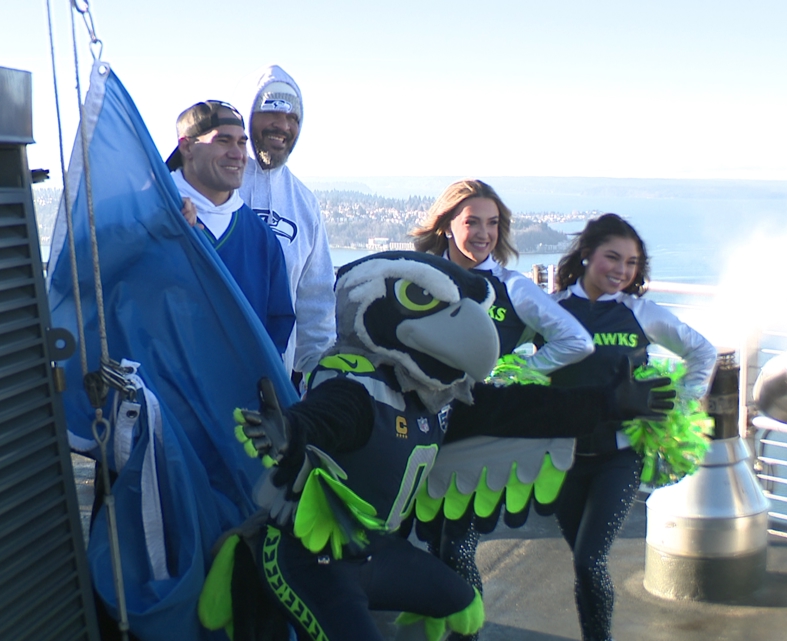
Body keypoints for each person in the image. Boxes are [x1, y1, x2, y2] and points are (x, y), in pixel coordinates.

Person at [200, 251, 675, 641]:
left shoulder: (436, 398)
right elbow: (329, 416)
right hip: (305, 558)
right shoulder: (357, 387)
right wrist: (292, 431)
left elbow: (522, 410)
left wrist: (609, 403)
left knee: (461, 603)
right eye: (421, 299)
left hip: (371, 549)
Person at [410, 179, 594, 640]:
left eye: (493, 224)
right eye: (472, 222)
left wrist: (516, 372)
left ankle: (464, 635)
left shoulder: (512, 287)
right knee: (426, 542)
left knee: (458, 546)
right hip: (417, 427)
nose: (483, 233)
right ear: (448, 225)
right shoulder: (417, 279)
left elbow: (576, 341)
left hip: (477, 434)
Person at [547, 213, 717, 641]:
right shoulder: (550, 310)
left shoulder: (641, 313)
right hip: (559, 459)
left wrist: (677, 404)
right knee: (582, 562)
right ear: (586, 254)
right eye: (612, 258)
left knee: (589, 560)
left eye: (632, 262)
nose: (622, 271)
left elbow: (702, 351)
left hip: (619, 457)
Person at [165, 99, 295, 354]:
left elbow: (276, 327)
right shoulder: (148, 214)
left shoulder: (260, 237)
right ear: (187, 147)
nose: (237, 154)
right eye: (222, 141)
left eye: (241, 143)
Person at [237, 65, 336, 380]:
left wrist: (319, 377)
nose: (283, 125)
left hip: (276, 383)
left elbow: (315, 302)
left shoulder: (304, 205)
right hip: (205, 374)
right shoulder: (213, 185)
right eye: (272, 112)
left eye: (293, 117)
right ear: (247, 115)